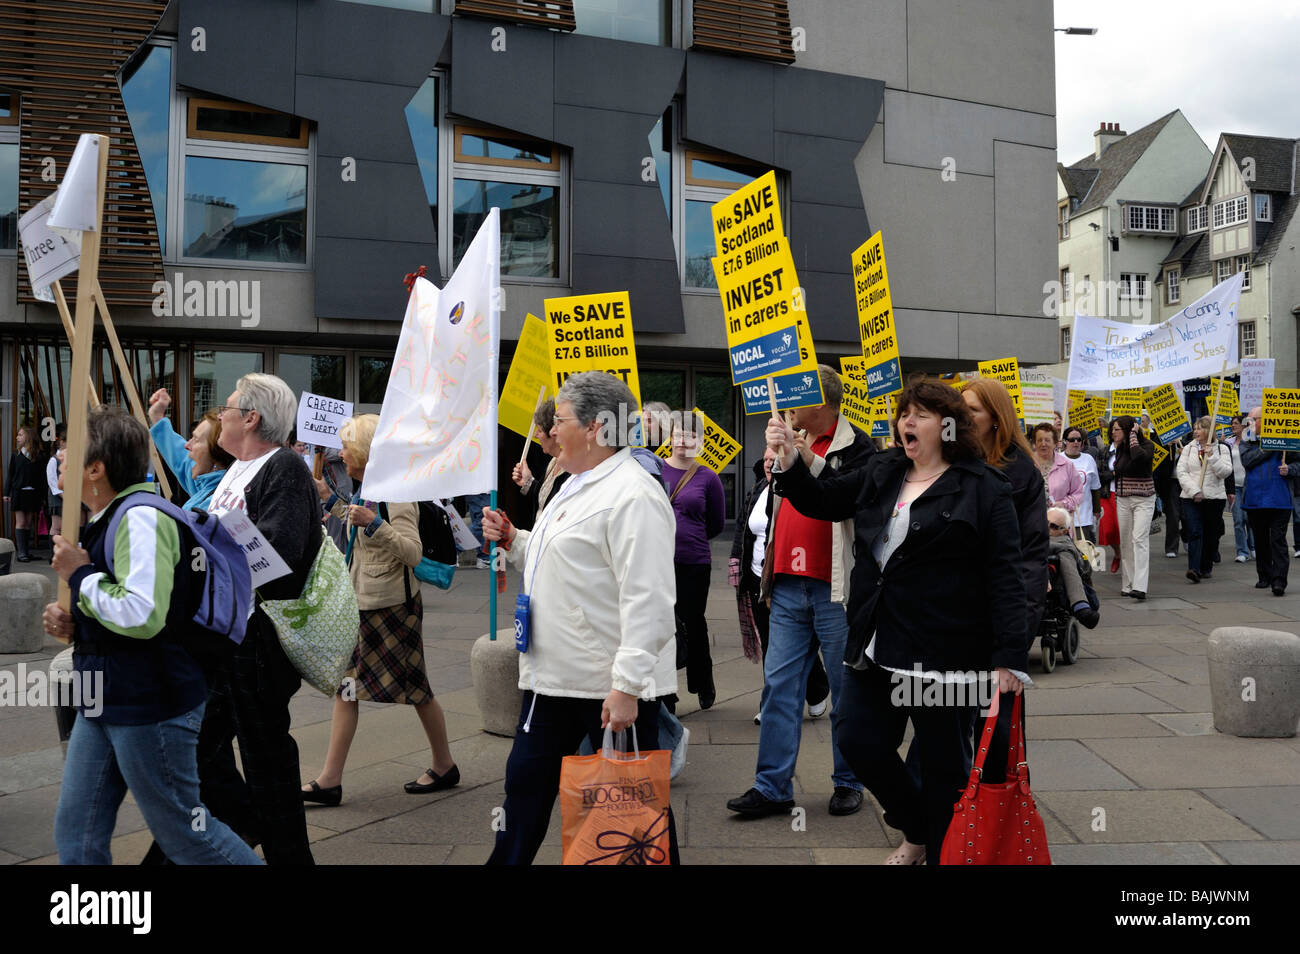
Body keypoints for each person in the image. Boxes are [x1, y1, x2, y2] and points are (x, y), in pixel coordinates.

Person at [768, 379, 1027, 865]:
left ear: (947, 427)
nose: (908, 422)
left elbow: (1006, 574)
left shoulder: (983, 487)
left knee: (943, 765)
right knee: (858, 743)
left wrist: (1010, 656)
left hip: (946, 651)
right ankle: (921, 827)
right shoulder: (883, 469)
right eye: (904, 413)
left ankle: (943, 850)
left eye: (921, 415)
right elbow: (824, 501)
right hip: (876, 642)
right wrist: (788, 461)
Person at [41, 406, 262, 865]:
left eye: (70, 448)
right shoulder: (114, 516)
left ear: (96, 468)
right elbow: (120, 604)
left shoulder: (142, 516)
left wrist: (81, 577)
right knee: (76, 832)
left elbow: (142, 613)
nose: (59, 454)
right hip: (105, 696)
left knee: (186, 830)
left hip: (149, 703)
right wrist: (77, 618)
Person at [481, 371, 680, 865]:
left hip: (605, 688)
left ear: (594, 427)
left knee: (630, 807)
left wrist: (628, 685)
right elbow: (560, 557)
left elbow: (650, 598)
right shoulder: (575, 482)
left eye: (561, 419)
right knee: (524, 791)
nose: (551, 428)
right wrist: (515, 539)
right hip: (552, 676)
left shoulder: (634, 494)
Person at [728, 365, 873, 820]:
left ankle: (848, 782)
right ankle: (772, 786)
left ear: (825, 400)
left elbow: (841, 494)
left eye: (798, 394)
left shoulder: (858, 447)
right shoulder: (788, 437)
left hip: (836, 589)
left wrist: (798, 458)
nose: (788, 401)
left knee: (846, 692)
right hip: (788, 587)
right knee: (779, 688)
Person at [301, 415, 459, 804]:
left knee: (416, 690)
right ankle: (331, 780)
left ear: (364, 452)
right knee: (348, 689)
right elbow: (358, 524)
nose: (340, 455)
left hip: (392, 609)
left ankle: (444, 765)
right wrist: (333, 502)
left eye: (347, 448)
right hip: (366, 606)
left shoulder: (397, 491)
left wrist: (374, 524)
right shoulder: (368, 487)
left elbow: (413, 551)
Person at [199, 372, 323, 864]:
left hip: (257, 643)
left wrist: (207, 549)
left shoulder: (284, 467)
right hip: (225, 637)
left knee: (266, 758)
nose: (220, 418)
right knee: (199, 750)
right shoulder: (237, 470)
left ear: (251, 418)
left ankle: (277, 847)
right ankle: (242, 820)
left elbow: (278, 551)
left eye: (227, 409)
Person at [730, 448, 829, 724]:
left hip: (785, 580)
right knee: (771, 642)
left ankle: (798, 694)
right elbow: (743, 529)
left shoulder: (795, 490)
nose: (768, 463)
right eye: (765, 459)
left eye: (775, 458)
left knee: (787, 646)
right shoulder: (757, 489)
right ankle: (793, 695)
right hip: (756, 578)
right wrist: (738, 565)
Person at [961, 378, 1049, 638]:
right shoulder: (945, 463)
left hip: (994, 610)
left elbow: (1032, 556)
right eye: (960, 409)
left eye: (973, 410)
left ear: (996, 418)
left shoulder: (1023, 475)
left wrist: (1018, 632)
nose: (963, 417)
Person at [663, 413, 726, 710]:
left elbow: (716, 523)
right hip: (659, 562)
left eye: (689, 435)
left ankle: (703, 682)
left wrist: (690, 536)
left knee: (693, 622)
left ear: (698, 441)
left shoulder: (708, 477)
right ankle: (666, 691)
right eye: (678, 434)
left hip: (694, 563)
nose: (682, 440)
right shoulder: (656, 470)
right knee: (662, 626)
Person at [147, 389, 235, 511]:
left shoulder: (217, 504)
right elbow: (181, 460)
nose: (187, 445)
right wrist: (157, 417)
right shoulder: (207, 483)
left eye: (196, 439)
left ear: (216, 453)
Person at [1241, 405, 1292, 596]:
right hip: (1255, 499)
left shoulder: (1287, 441)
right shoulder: (1247, 440)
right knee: (1261, 540)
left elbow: (1297, 463)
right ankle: (1264, 575)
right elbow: (1247, 460)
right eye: (1249, 420)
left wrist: (1290, 469)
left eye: (1253, 420)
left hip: (1279, 498)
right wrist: (1270, 446)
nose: (1250, 424)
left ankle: (1279, 581)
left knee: (1278, 540)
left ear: (1266, 420)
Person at [1177, 416, 1232, 583]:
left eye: (1199, 428)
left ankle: (1206, 566)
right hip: (1191, 497)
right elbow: (1182, 472)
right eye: (1195, 428)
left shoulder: (1222, 449)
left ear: (1208, 431)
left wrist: (1213, 457)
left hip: (1214, 498)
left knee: (1210, 534)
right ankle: (1194, 568)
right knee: (1194, 531)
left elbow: (1225, 472)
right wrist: (1194, 491)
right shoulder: (1188, 448)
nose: (1195, 431)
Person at [1110, 416, 1156, 600]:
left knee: (1139, 539)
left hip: (1144, 499)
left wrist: (1133, 437)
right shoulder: (1118, 450)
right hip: (1123, 499)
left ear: (1129, 431)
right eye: (1112, 429)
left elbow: (1138, 459)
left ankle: (1140, 586)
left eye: (1117, 429)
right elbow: (1118, 471)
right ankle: (1127, 584)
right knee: (1126, 542)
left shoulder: (1147, 446)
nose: (1113, 432)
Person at [511, 399, 570, 515]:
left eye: (540, 430)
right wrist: (527, 482)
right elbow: (544, 501)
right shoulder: (553, 462)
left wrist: (514, 534)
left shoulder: (572, 472)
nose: (535, 435)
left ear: (555, 433)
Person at [1046, 508, 1099, 628]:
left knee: (1066, 553)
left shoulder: (1065, 544)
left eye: (1053, 526)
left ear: (1064, 531)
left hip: (1059, 585)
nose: (1047, 527)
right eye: (1045, 523)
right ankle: (1080, 605)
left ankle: (1080, 606)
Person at [5, 424, 43, 562]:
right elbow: (10, 475)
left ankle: (26, 551)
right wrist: (6, 493)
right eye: (18, 435)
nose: (17, 437)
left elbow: (41, 477)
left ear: (28, 437)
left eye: (20, 434)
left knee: (28, 522)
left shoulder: (38, 455)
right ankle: (21, 553)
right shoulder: (16, 455)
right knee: (21, 522)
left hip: (32, 493)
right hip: (18, 492)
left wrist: (42, 495)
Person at [1031, 422, 1084, 515]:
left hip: (1059, 521)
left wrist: (1064, 504)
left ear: (1055, 443)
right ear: (1034, 443)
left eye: (1047, 440)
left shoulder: (1067, 465)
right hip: (1033, 522)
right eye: (1039, 440)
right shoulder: (1027, 464)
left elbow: (1078, 494)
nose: (1043, 444)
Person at [1062, 425, 1100, 543]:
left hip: (1084, 516)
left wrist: (1096, 510)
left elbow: (1095, 487)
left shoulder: (1088, 459)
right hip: (1063, 517)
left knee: (1085, 552)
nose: (1076, 442)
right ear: (1065, 441)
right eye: (1072, 440)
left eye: (1079, 439)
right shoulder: (1058, 459)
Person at [1226, 415, 1254, 562]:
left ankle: (1252, 547)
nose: (1233, 426)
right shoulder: (1228, 442)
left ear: (1244, 426)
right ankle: (1242, 552)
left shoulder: (1250, 441)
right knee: (1238, 520)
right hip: (1234, 487)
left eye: (1236, 423)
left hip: (1249, 485)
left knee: (1250, 519)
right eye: (1232, 424)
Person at [46, 424, 66, 542]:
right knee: (57, 527)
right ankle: (53, 555)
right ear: (62, 443)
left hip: (67, 497)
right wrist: (63, 495)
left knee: (66, 528)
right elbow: (52, 482)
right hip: (57, 497)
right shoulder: (54, 459)